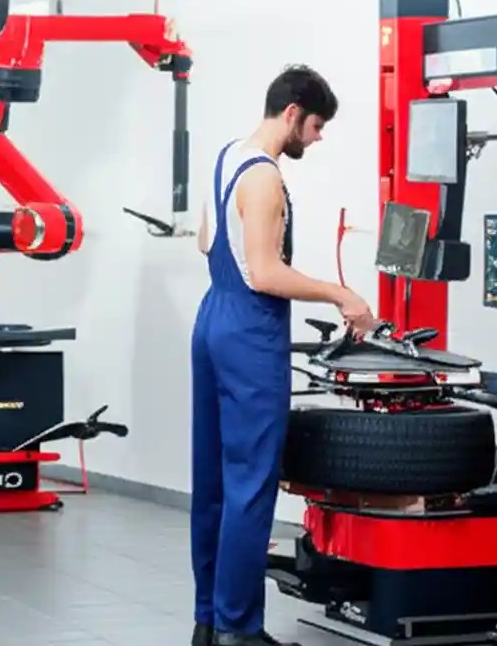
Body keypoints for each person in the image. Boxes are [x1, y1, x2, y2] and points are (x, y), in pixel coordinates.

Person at [189, 65, 380, 646]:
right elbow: (267, 273)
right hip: (249, 330)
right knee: (251, 483)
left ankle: (210, 620)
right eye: (317, 126)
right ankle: (239, 630)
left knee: (215, 482)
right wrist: (341, 293)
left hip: (212, 320)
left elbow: (205, 239)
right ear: (294, 113)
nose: (317, 139)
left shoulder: (228, 156)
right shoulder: (266, 177)